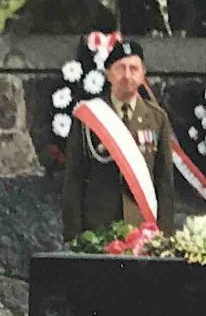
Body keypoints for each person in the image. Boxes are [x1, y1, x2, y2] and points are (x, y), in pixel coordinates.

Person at [61, 36, 177, 240]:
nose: (127, 75)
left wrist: (165, 236)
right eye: (120, 68)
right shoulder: (89, 117)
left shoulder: (157, 118)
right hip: (99, 229)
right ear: (108, 74)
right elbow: (74, 179)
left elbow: (164, 181)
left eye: (134, 69)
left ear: (143, 74)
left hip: (143, 229)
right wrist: (73, 236)